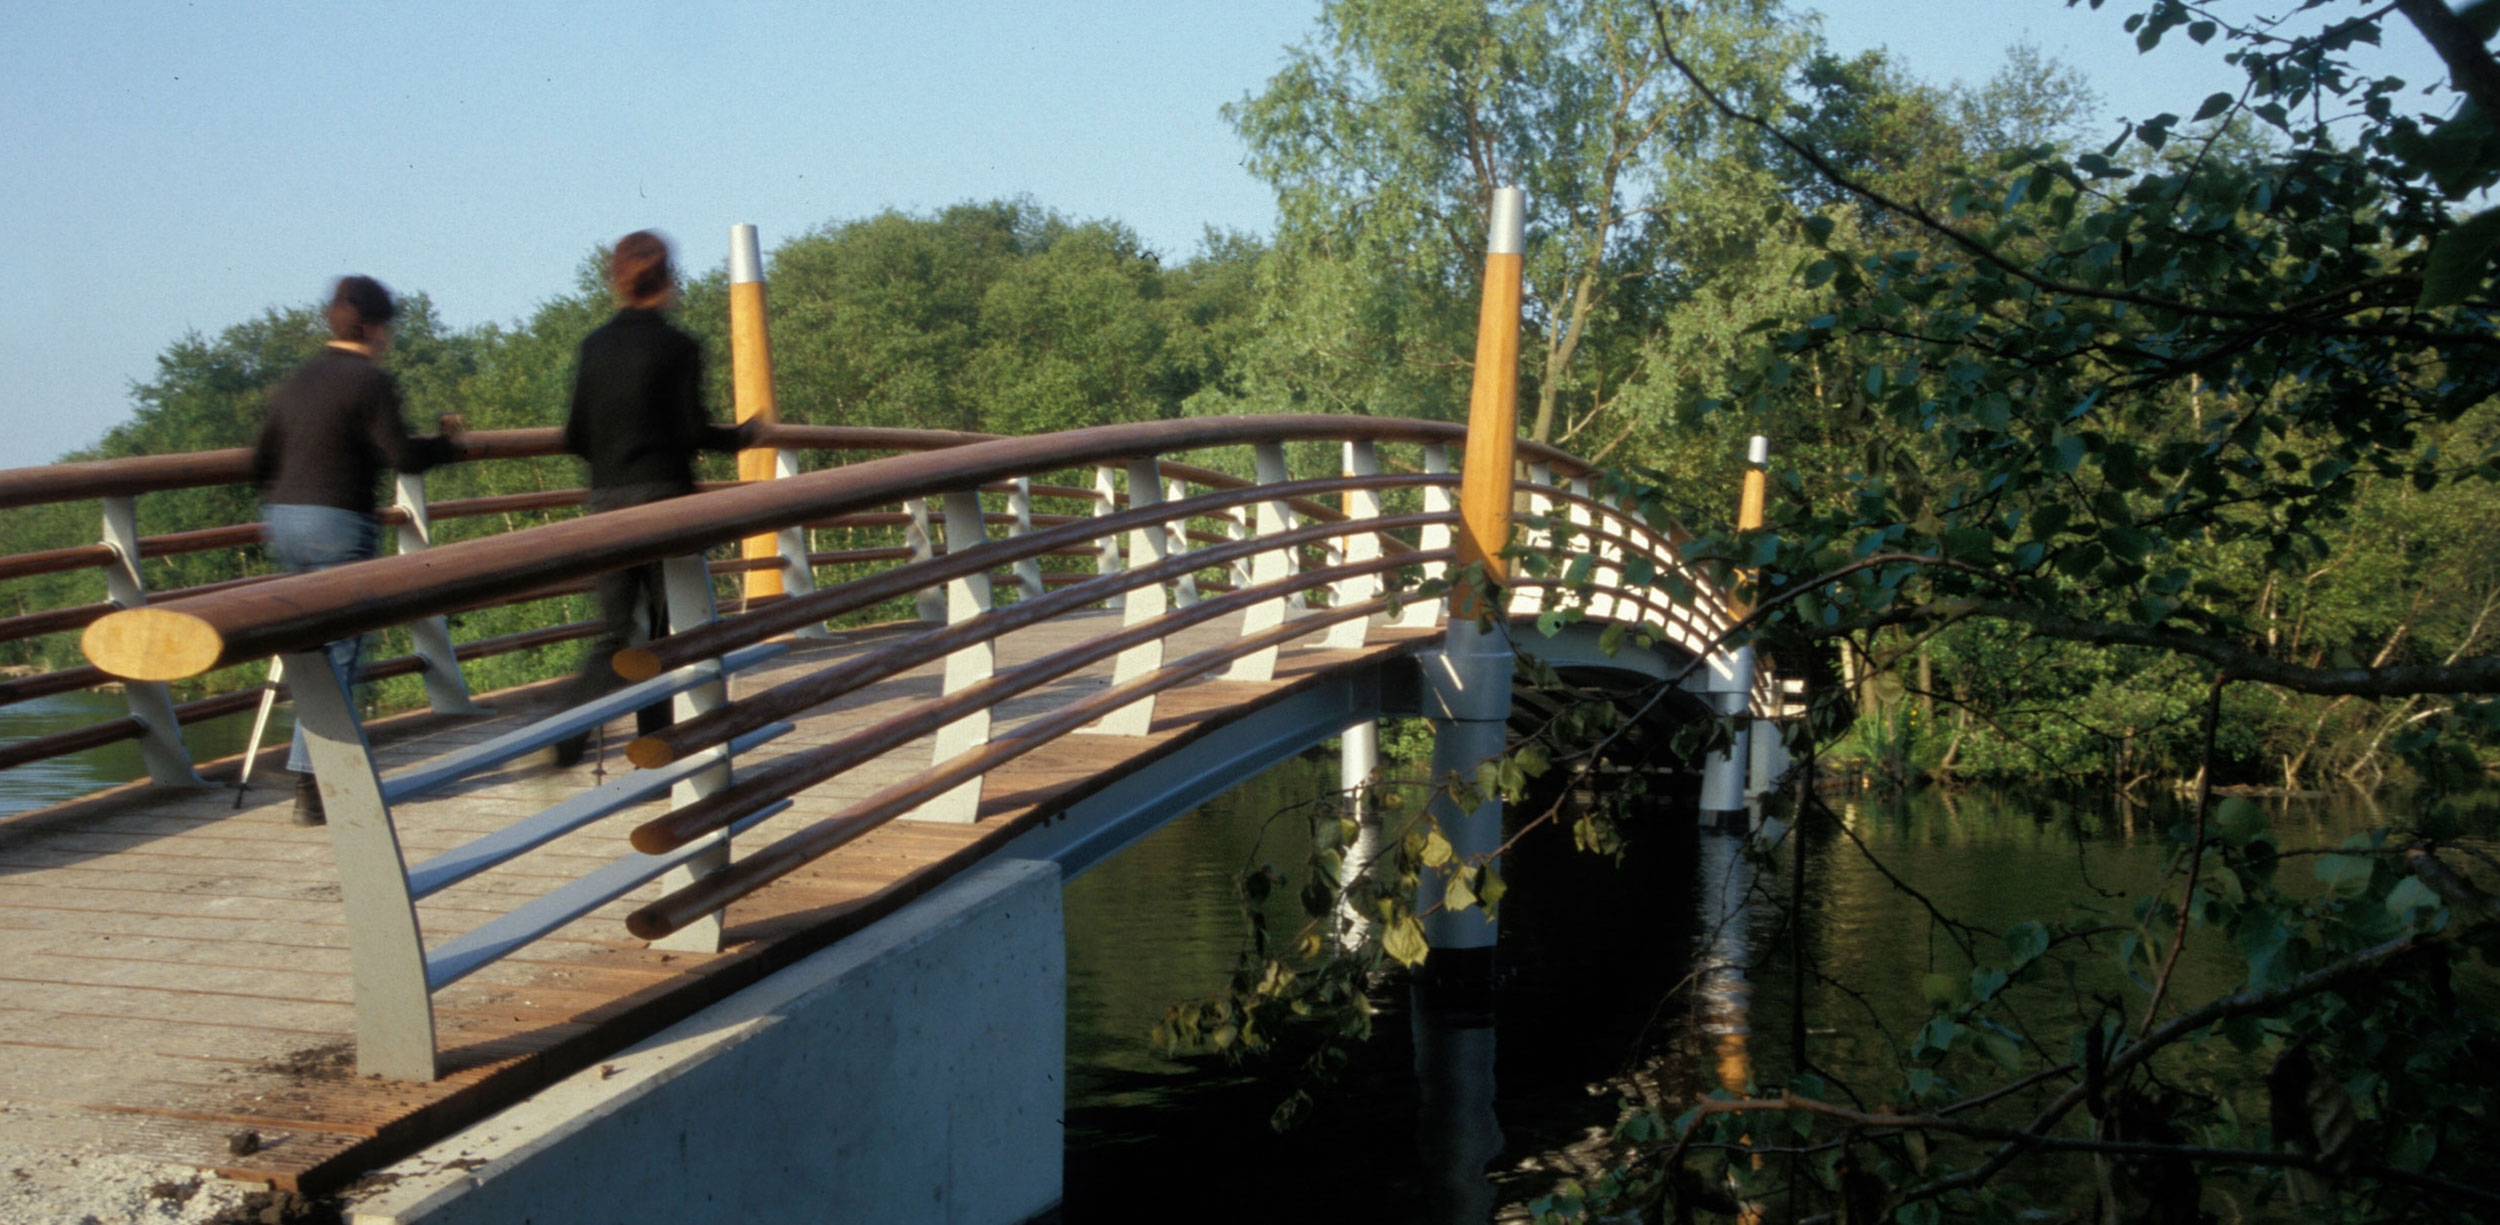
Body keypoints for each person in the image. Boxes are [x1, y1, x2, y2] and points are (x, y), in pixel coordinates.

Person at [252, 276, 465, 824]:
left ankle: (311, 773)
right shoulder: (368, 380)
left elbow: (260, 461)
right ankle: (313, 783)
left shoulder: (298, 381)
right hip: (337, 523)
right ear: (374, 327)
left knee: (307, 648)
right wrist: (446, 442)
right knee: (341, 653)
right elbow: (402, 457)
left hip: (282, 519)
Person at [552, 231, 755, 766]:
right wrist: (744, 435)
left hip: (608, 504)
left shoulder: (593, 345)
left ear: (616, 281)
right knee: (666, 634)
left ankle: (561, 741)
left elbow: (575, 436)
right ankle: (658, 758)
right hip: (666, 503)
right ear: (668, 282)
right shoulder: (678, 345)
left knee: (615, 631)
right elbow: (692, 430)